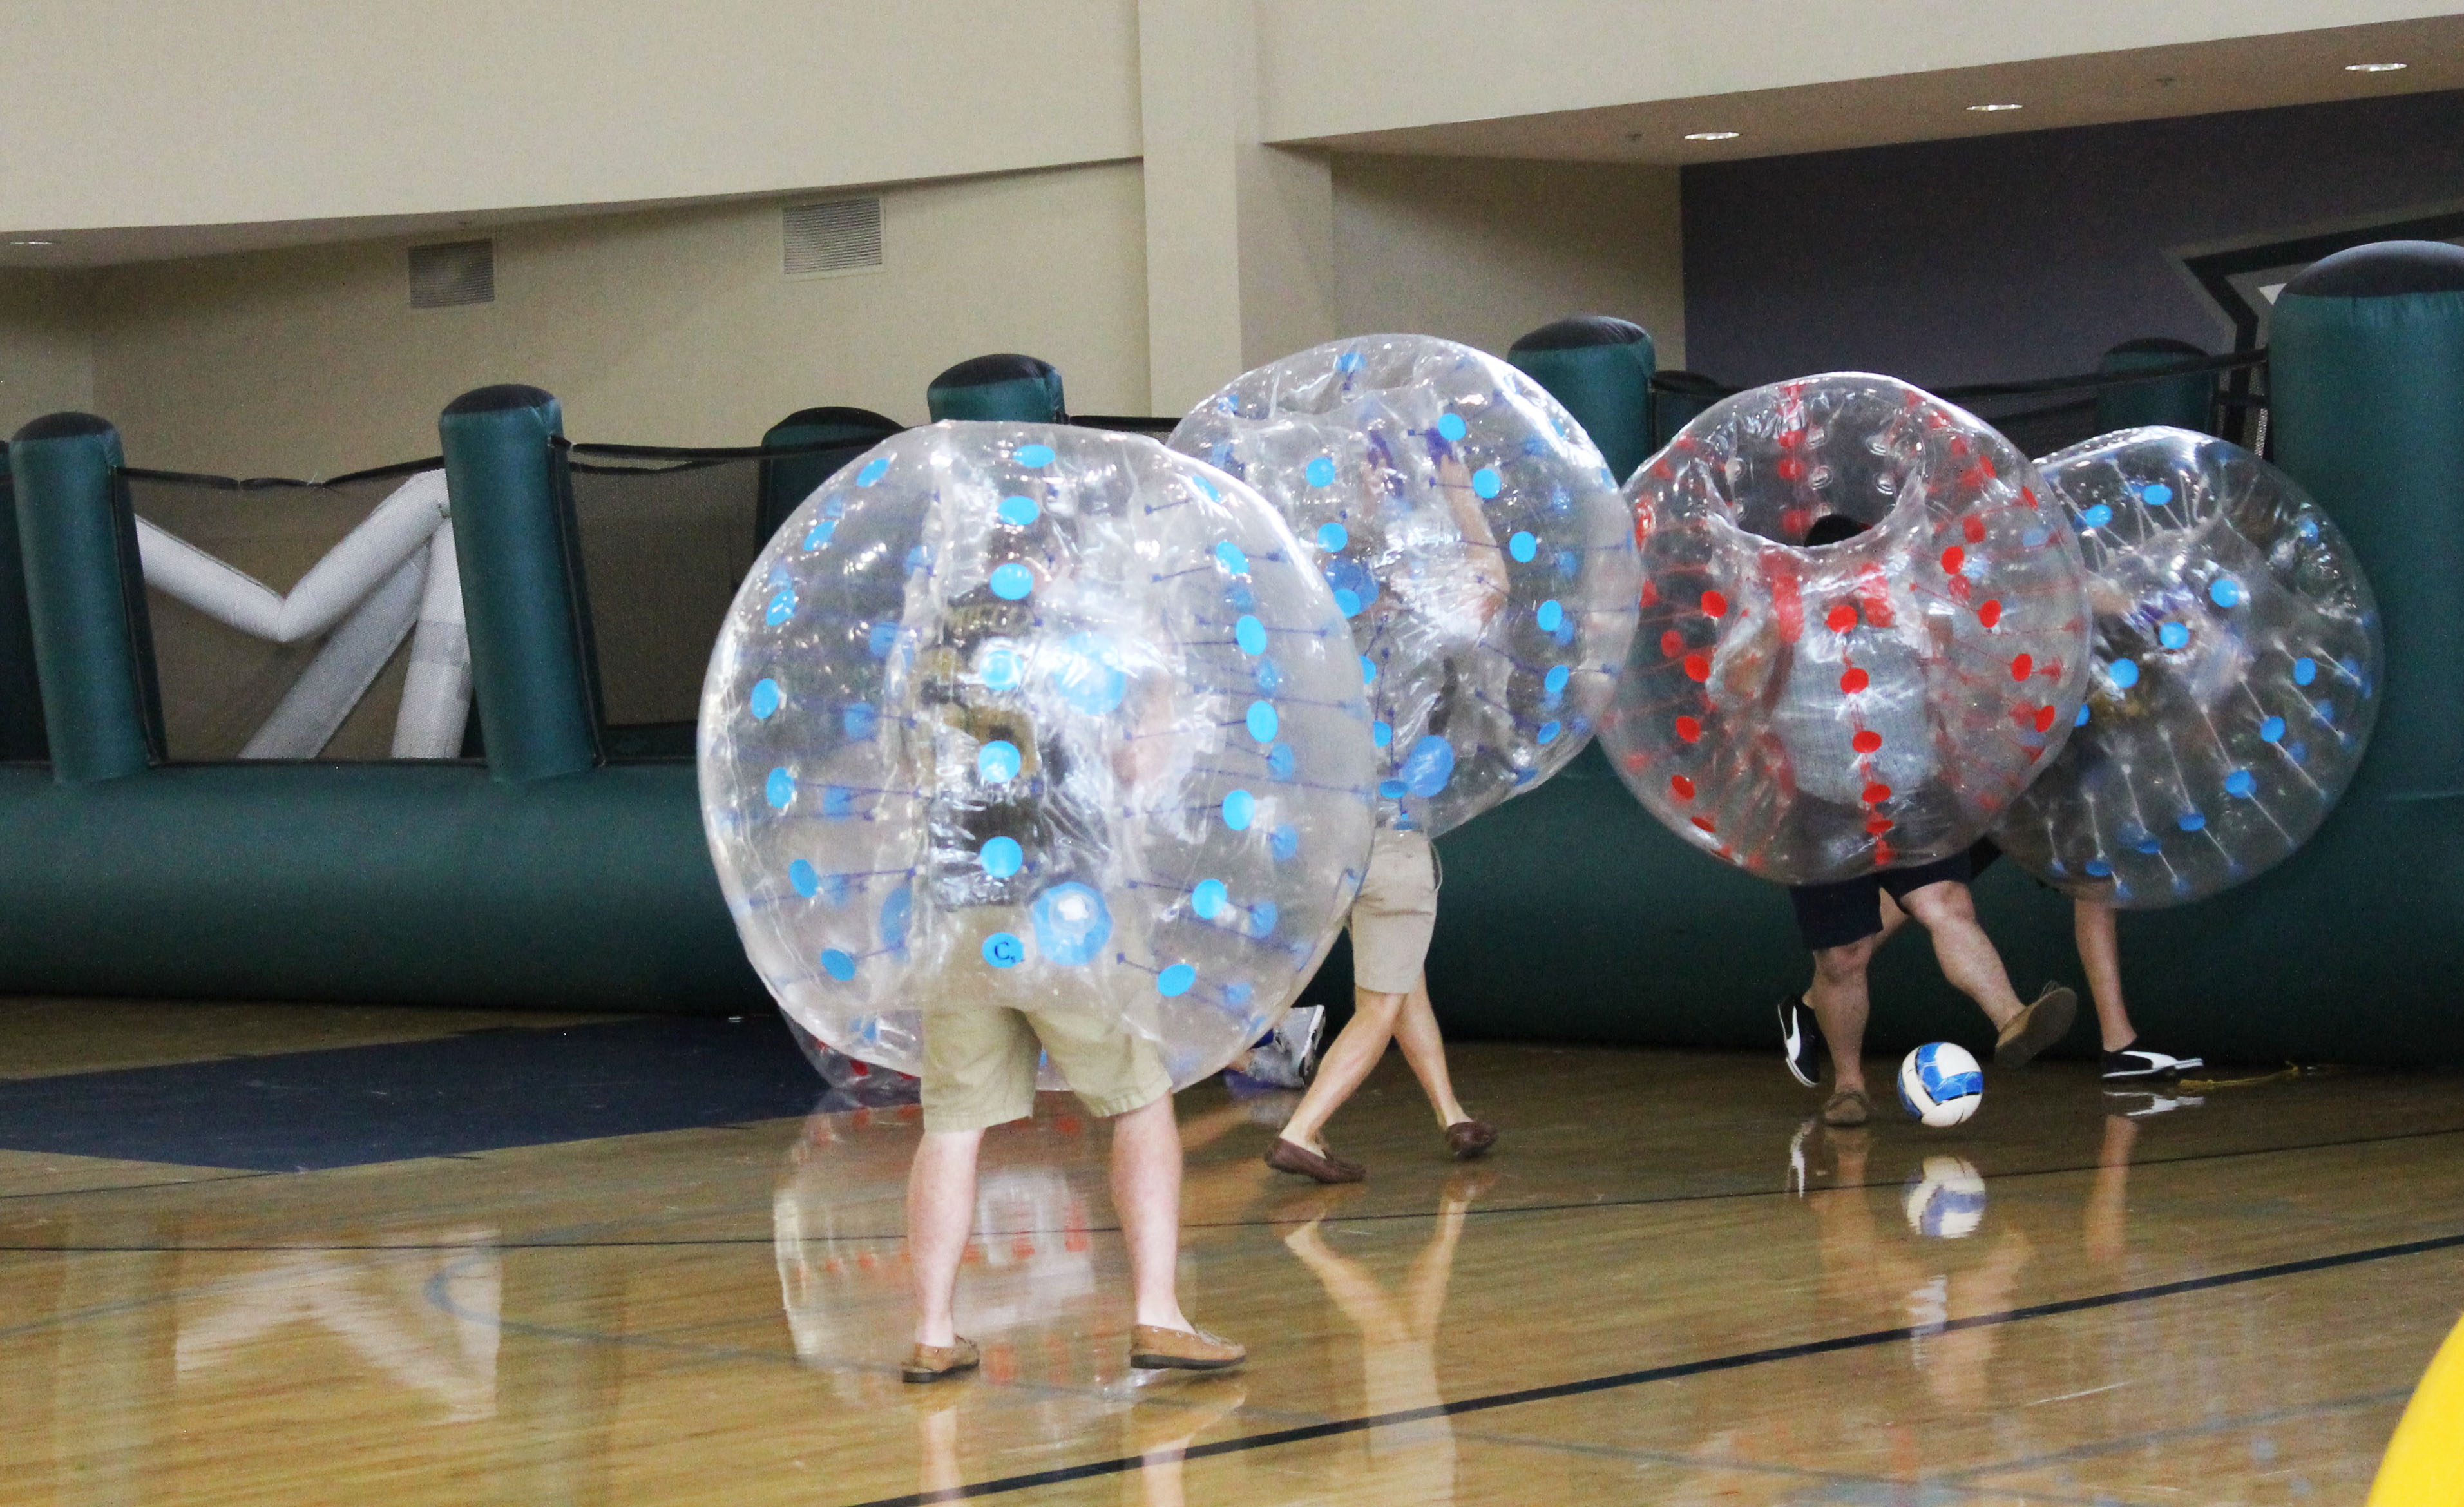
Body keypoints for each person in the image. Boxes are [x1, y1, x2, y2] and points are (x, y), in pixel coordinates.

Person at [1762, 513, 2076, 1129]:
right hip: (1824, 807)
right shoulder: (1780, 622)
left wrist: (1924, 623)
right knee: (1842, 956)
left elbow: (1958, 654)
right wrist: (1770, 645)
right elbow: (1733, 685)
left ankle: (2011, 1017)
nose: (1855, 573)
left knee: (1946, 904)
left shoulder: (1904, 607)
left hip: (1913, 791)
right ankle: (1849, 1085)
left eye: (1865, 559)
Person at [1782, 837, 2204, 1090]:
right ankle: (1814, 1005)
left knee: (2090, 870)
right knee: (1920, 899)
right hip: (1992, 765)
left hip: (2018, 764)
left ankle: (2113, 1044)